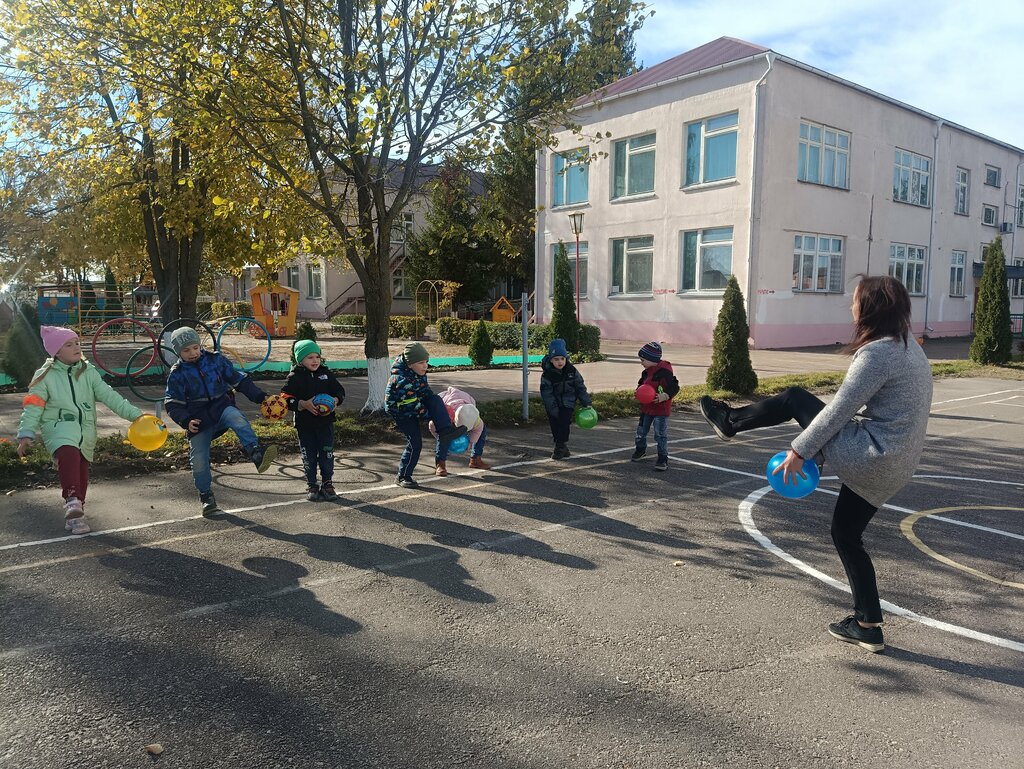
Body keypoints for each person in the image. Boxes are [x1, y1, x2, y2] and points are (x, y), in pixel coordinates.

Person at [697, 275, 931, 653]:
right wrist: (822, 451)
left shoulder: (877, 354)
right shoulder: (910, 348)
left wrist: (802, 451)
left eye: (855, 301)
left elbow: (837, 412)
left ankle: (730, 422)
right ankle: (867, 624)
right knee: (846, 535)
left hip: (872, 455)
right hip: (897, 463)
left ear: (870, 308)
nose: (851, 307)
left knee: (794, 398)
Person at [16, 326, 146, 535]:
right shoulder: (44, 376)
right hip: (57, 427)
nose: (76, 347)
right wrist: (25, 433)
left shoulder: (88, 372)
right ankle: (72, 500)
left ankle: (76, 515)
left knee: (81, 472)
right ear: (56, 352)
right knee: (69, 452)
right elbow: (33, 406)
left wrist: (136, 415)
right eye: (69, 344)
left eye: (77, 342)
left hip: (85, 430)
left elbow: (109, 396)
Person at [164, 327, 279, 517]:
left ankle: (256, 452)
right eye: (186, 351)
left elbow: (239, 380)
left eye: (195, 347)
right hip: (198, 419)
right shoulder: (177, 374)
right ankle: (206, 496)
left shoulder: (215, 360)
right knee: (199, 460)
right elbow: (172, 403)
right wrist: (186, 420)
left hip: (220, 407)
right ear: (178, 353)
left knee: (236, 417)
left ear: (200, 345)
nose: (192, 353)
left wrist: (260, 396)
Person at [384, 342, 468, 488]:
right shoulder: (401, 380)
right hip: (403, 413)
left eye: (426, 362)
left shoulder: (419, 373)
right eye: (421, 362)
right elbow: (414, 407)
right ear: (410, 364)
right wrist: (431, 416)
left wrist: (439, 410)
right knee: (415, 444)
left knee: (435, 399)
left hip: (415, 404)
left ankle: (445, 431)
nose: (425, 366)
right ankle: (403, 476)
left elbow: (426, 392)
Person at [282, 339, 346, 502]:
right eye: (310, 357)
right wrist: (302, 404)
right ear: (300, 360)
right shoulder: (294, 377)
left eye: (317, 356)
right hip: (305, 426)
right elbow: (285, 399)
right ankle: (312, 484)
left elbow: (340, 391)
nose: (315, 360)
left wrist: (335, 401)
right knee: (308, 456)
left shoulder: (326, 374)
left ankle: (327, 483)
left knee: (327, 455)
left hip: (325, 424)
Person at [540, 338, 592, 460]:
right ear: (551, 359)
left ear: (566, 359)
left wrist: (586, 401)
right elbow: (546, 393)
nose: (560, 362)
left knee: (563, 423)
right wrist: (552, 409)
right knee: (555, 425)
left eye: (562, 359)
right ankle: (563, 446)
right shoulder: (548, 374)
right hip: (553, 404)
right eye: (556, 359)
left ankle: (559, 447)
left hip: (568, 403)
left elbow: (580, 387)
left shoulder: (571, 371)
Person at [631, 342, 680, 471]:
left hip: (660, 410)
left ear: (652, 360)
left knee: (660, 434)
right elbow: (641, 385)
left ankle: (663, 458)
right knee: (641, 432)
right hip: (646, 408)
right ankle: (640, 450)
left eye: (643, 360)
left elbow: (675, 386)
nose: (641, 362)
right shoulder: (645, 373)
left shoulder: (665, 372)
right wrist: (638, 392)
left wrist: (666, 395)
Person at [428, 386, 491, 476]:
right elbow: (432, 426)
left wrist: (471, 442)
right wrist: (442, 439)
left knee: (482, 429)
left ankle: (475, 459)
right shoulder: (446, 414)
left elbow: (478, 430)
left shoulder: (474, 416)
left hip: (464, 400)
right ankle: (440, 464)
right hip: (447, 401)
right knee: (443, 434)